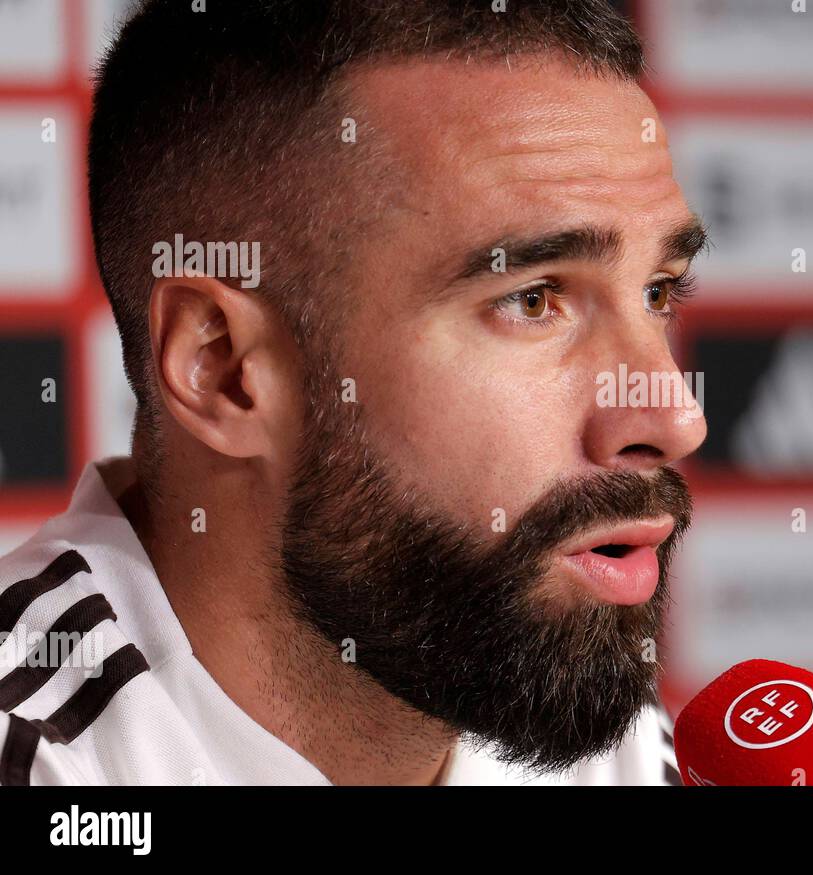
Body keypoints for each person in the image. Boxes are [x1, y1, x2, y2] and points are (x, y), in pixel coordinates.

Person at [0, 0, 708, 786]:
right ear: (225, 368)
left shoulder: (605, 742)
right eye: (534, 299)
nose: (676, 416)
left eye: (659, 291)